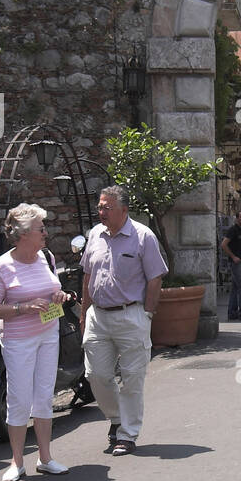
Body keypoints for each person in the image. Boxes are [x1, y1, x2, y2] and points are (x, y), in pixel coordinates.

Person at [0, 203, 75, 481]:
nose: (46, 233)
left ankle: (45, 458)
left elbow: (53, 289)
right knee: (20, 398)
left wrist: (59, 296)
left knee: (44, 395)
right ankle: (17, 462)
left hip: (48, 334)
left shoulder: (44, 256)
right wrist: (21, 308)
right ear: (23, 234)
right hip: (19, 340)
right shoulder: (3, 266)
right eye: (41, 228)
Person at [80, 185, 169, 455]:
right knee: (96, 374)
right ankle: (117, 418)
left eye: (107, 207)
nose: (101, 212)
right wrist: (84, 313)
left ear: (124, 210)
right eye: (100, 207)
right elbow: (87, 275)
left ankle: (127, 435)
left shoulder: (143, 237)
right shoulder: (95, 234)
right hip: (99, 316)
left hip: (131, 315)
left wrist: (148, 313)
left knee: (132, 378)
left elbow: (155, 277)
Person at [221, 211, 241, 322]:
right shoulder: (233, 230)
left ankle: (232, 313)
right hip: (235, 263)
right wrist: (233, 257)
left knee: (235, 288)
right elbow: (224, 244)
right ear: (237, 218)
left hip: (240, 263)